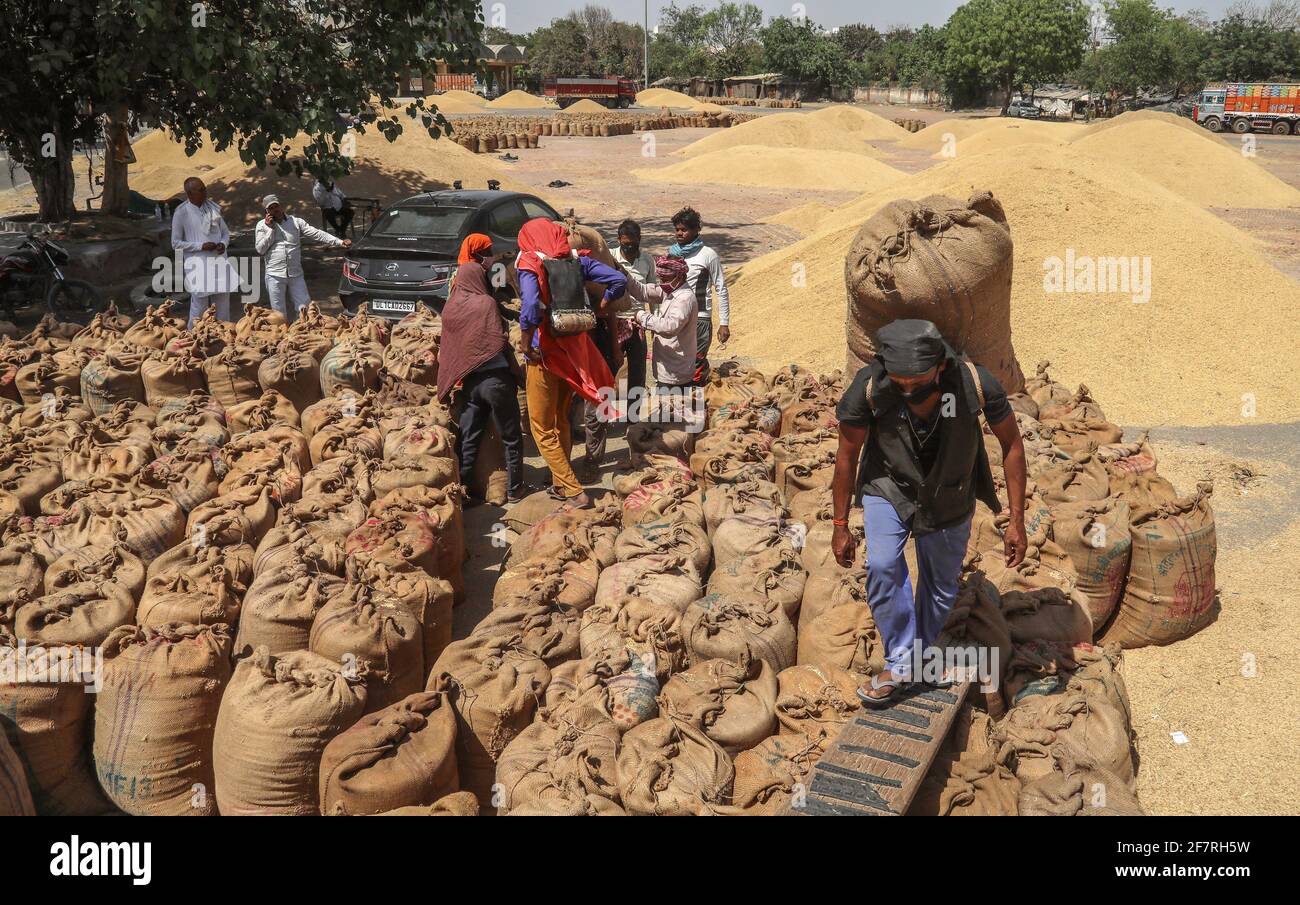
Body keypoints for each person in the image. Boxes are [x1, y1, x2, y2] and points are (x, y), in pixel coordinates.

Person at [830, 319, 1027, 708]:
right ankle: (901, 663)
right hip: (888, 487)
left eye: (917, 381)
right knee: (884, 565)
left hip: (949, 493)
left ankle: (919, 657)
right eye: (898, 380)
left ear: (940, 365)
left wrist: (1017, 520)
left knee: (939, 587)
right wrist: (839, 525)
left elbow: (1012, 445)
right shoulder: (868, 389)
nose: (907, 389)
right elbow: (847, 456)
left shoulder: (973, 384)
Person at [515, 218, 626, 509]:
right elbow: (618, 280)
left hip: (544, 355)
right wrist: (604, 304)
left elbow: (528, 307)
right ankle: (559, 484)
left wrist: (526, 342)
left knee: (541, 426)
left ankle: (574, 490)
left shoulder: (530, 262)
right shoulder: (578, 261)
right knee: (561, 418)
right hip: (573, 353)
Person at [436, 236, 532, 506]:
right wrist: (517, 374)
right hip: (496, 382)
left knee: (469, 438)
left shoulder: (451, 309)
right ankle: (515, 489)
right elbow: (499, 342)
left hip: (470, 384)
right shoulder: (486, 304)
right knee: (511, 437)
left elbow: (452, 349)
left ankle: (464, 491)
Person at [254, 194, 351, 323]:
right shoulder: (261, 225)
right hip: (274, 274)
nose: (275, 210)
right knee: (278, 311)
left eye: (276, 206)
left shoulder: (296, 222)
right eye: (271, 208)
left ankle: (302, 333)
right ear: (267, 212)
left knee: (304, 307)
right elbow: (260, 249)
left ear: (281, 207)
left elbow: (316, 233)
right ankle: (281, 336)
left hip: (295, 273)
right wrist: (270, 230)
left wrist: (339, 242)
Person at [668, 206, 729, 385]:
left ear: (696, 230)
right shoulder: (671, 255)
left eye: (684, 229)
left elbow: (721, 288)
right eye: (677, 230)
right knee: (676, 363)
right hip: (677, 317)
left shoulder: (708, 255)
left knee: (695, 364)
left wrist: (724, 323)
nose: (679, 233)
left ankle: (696, 403)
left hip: (700, 319)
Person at [170, 176, 240, 328]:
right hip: (198, 266)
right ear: (189, 194)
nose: (205, 192)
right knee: (199, 307)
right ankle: (192, 337)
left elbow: (225, 233)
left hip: (219, 263)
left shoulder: (213, 208)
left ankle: (223, 335)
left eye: (204, 188)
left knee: (222, 304)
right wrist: (201, 246)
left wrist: (223, 244)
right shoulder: (181, 213)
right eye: (201, 190)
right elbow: (175, 243)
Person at [610, 219, 656, 399]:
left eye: (633, 244)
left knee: (637, 374)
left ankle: (633, 421)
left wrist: (654, 324)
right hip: (614, 323)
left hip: (639, 324)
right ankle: (605, 417)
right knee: (609, 369)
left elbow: (652, 295)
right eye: (625, 244)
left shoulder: (647, 260)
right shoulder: (610, 257)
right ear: (619, 239)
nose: (629, 248)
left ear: (639, 239)